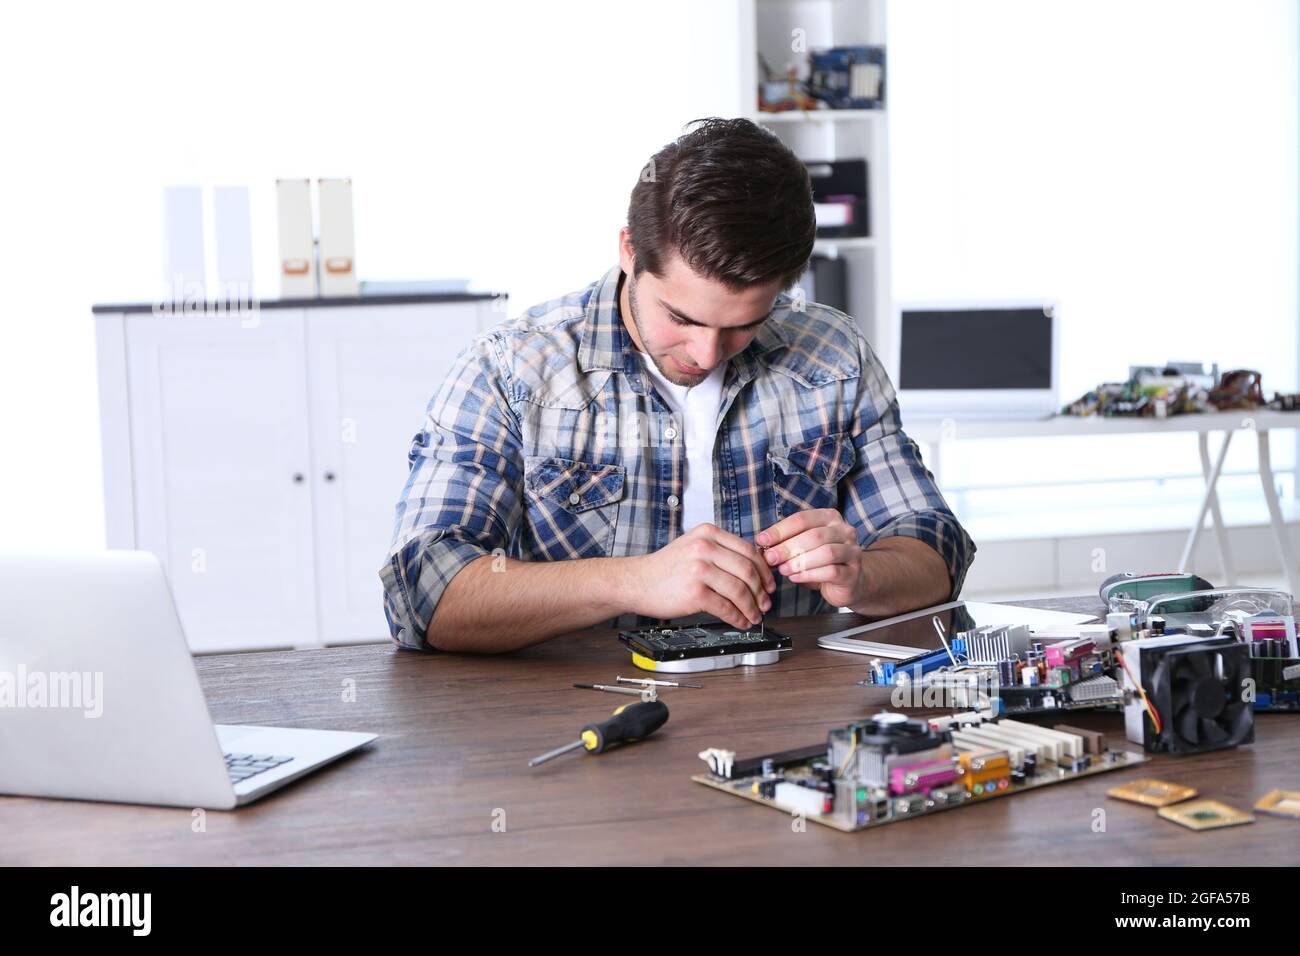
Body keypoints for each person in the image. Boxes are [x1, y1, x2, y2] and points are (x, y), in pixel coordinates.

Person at [380, 117, 975, 653]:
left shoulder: (833, 354)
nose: (707, 352)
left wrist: (863, 575)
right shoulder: (509, 370)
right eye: (683, 318)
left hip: (790, 714)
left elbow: (933, 547)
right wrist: (633, 580)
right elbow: (422, 592)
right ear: (628, 253)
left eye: (745, 323)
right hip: (583, 722)